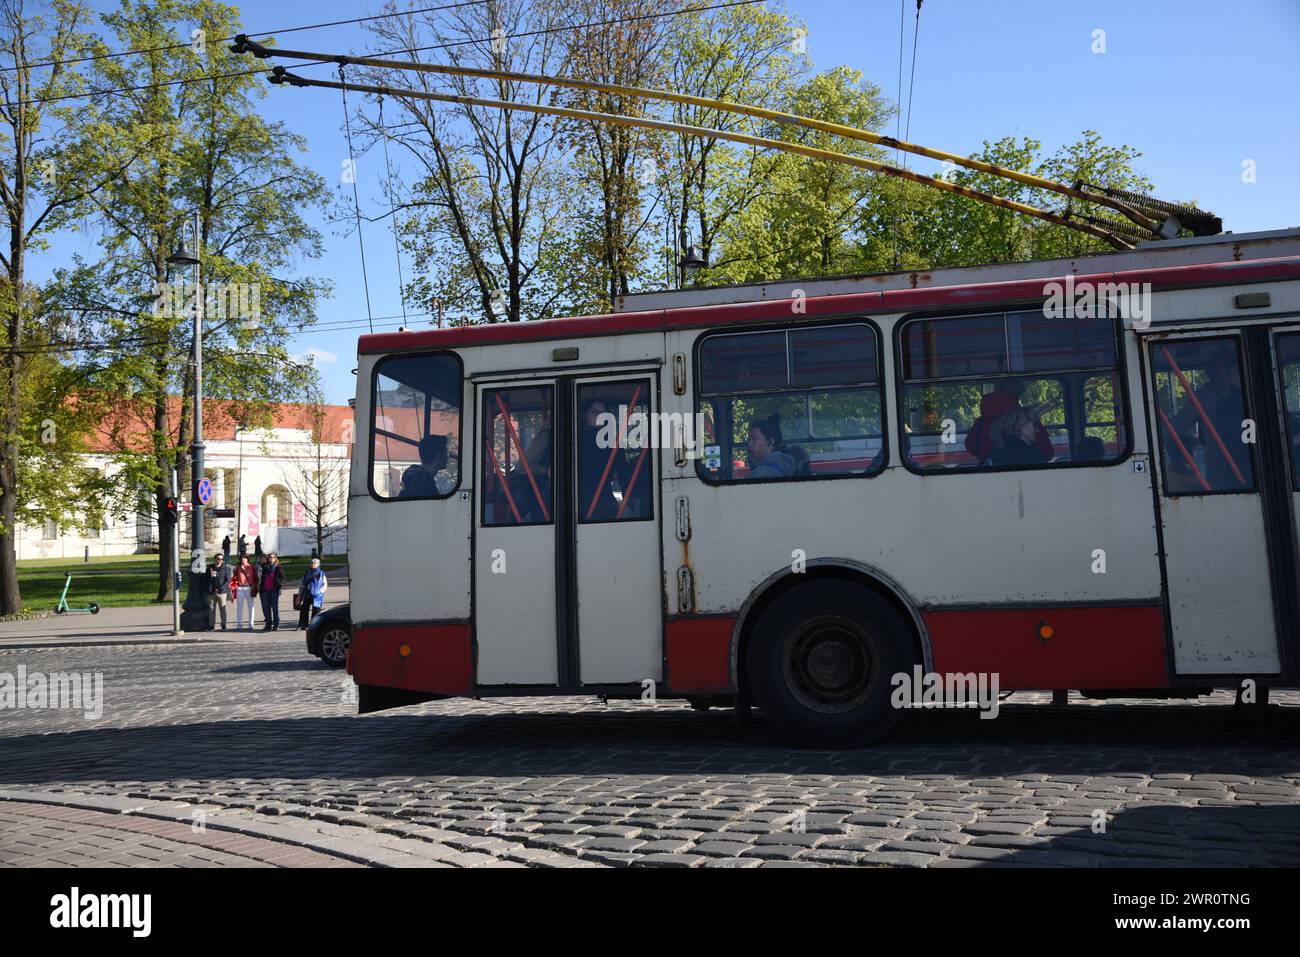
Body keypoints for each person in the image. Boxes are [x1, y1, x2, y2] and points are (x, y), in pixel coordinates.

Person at [965, 380, 1054, 464]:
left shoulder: (981, 422)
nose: (1036, 429)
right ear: (1019, 428)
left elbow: (970, 446)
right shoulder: (1023, 417)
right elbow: (1047, 453)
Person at [745, 415, 809, 479]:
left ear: (770, 441)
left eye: (754, 439)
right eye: (749, 440)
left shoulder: (760, 474)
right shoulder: (791, 465)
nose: (749, 444)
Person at [296, 557, 328, 630]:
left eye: (315, 563)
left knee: (316, 610)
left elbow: (325, 585)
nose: (313, 564)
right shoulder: (307, 572)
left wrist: (320, 591)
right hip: (307, 593)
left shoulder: (321, 573)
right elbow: (302, 584)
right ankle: (303, 625)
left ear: (318, 564)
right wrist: (299, 594)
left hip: (317, 595)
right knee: (304, 609)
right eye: (312, 563)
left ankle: (314, 625)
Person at [258, 552, 284, 632]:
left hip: (274, 590)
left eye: (273, 557)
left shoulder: (278, 567)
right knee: (266, 608)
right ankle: (268, 625)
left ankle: (276, 625)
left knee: (275, 608)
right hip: (265, 590)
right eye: (270, 557)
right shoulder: (264, 566)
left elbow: (282, 577)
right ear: (268, 558)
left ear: (275, 558)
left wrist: (279, 585)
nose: (272, 558)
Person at [231, 554, 258, 631]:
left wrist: (254, 586)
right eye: (241, 558)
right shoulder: (237, 568)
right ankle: (239, 625)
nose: (243, 559)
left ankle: (251, 624)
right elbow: (235, 577)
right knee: (239, 607)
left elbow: (256, 578)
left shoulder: (252, 567)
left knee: (251, 607)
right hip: (240, 588)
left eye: (244, 558)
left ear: (247, 559)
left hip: (249, 588)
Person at [207, 553, 232, 631]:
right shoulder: (210, 568)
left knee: (222, 609)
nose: (220, 560)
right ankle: (211, 625)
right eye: (218, 558)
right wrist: (208, 588)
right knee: (211, 609)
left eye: (221, 559)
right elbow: (206, 579)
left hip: (222, 592)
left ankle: (223, 625)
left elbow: (228, 580)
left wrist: (221, 588)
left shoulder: (225, 568)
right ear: (215, 559)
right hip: (212, 591)